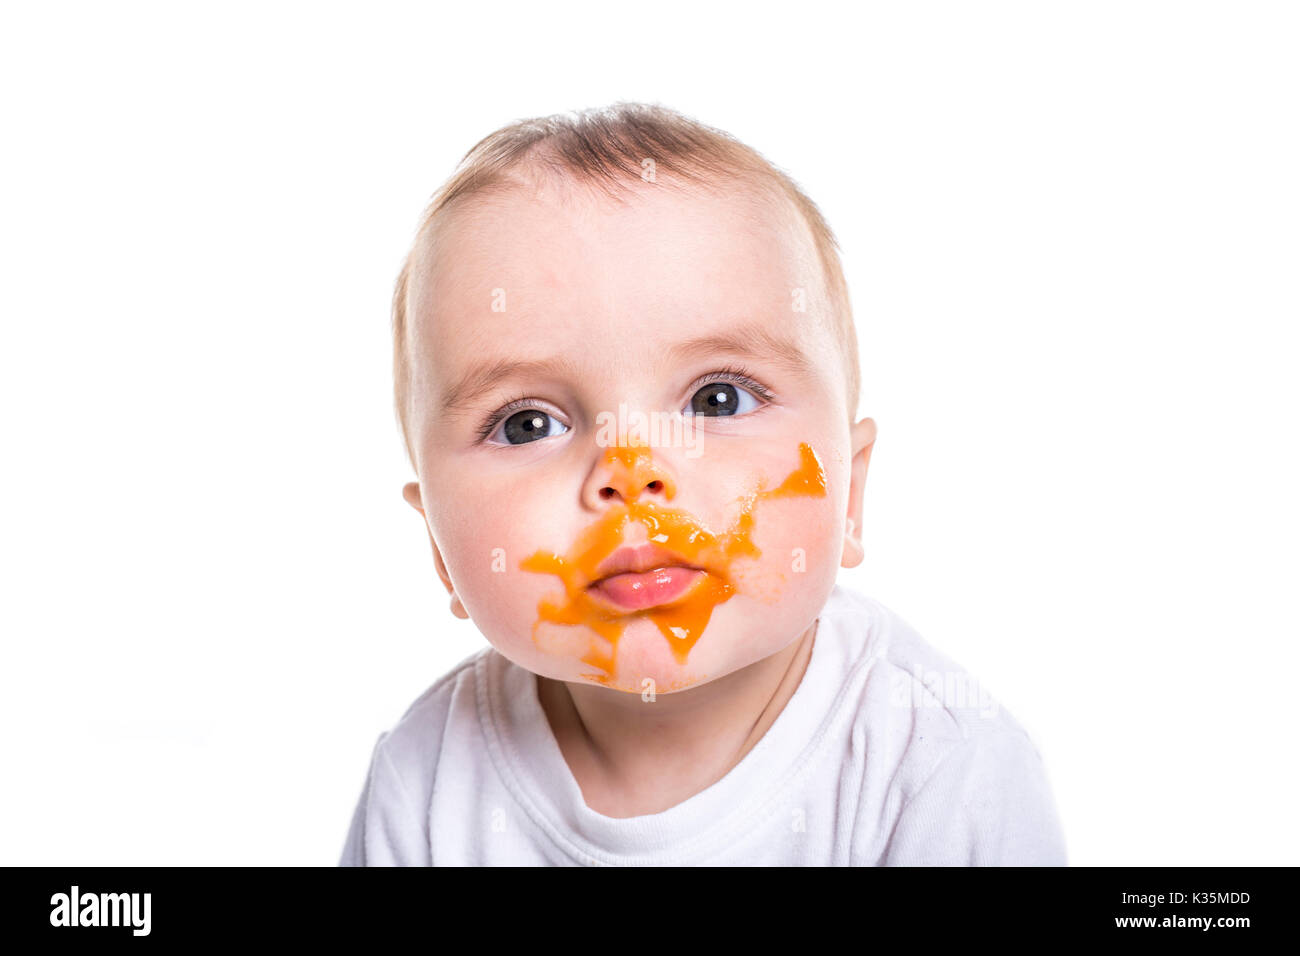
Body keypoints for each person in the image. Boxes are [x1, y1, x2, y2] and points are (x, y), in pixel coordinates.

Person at [339, 102, 1067, 865]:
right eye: (528, 423)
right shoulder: (424, 785)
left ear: (850, 497)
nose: (630, 473)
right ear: (436, 546)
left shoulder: (940, 770)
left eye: (717, 400)